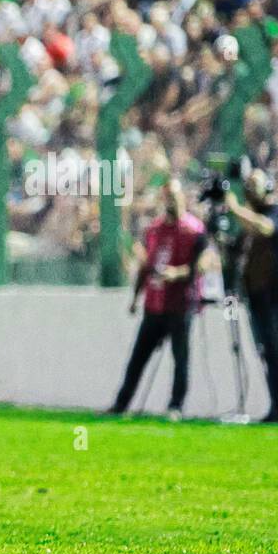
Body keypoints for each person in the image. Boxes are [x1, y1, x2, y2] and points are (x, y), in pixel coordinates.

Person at [108, 180, 207, 420]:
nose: (171, 202)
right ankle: (121, 404)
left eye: (174, 196)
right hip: (154, 303)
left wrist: (177, 273)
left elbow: (202, 266)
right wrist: (135, 297)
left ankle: (176, 406)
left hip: (180, 304)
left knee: (180, 358)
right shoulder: (154, 229)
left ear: (182, 198)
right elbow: (145, 265)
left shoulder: (194, 230)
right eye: (167, 197)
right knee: (138, 357)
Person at [228, 169, 278, 422]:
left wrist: (235, 208)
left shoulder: (275, 212)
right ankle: (277, 408)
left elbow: (267, 228)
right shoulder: (249, 223)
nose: (249, 189)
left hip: (275, 298)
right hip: (257, 296)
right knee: (269, 354)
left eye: (254, 185)